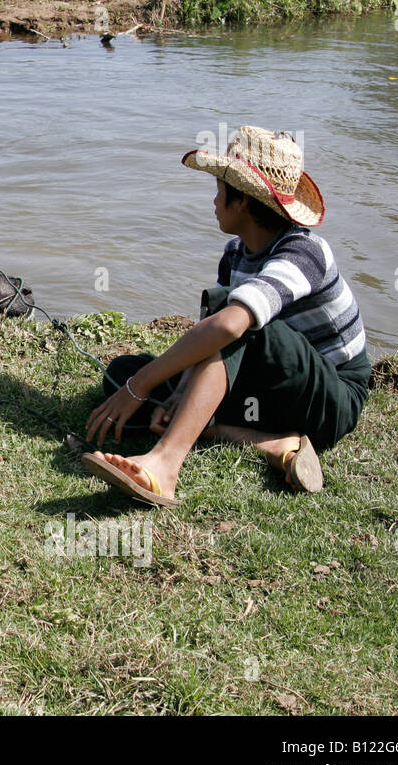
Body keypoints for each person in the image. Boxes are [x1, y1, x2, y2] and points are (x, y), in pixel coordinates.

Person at [81, 126, 370, 507]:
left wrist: (143, 386)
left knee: (237, 326)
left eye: (219, 192)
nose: (214, 202)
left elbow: (228, 327)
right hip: (272, 391)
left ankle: (165, 466)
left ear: (243, 202)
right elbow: (213, 343)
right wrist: (176, 391)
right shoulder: (235, 253)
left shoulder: (305, 251)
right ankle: (273, 443)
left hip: (330, 397)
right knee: (120, 373)